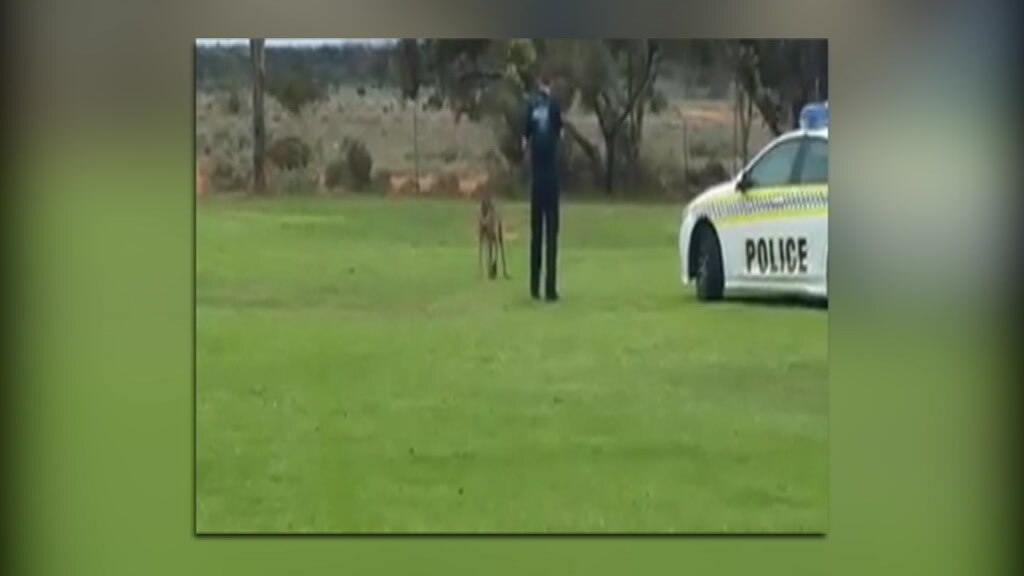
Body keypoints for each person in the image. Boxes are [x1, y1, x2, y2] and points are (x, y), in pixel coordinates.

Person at [522, 73, 563, 301]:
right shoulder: (555, 107)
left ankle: (534, 287)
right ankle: (550, 289)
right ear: (551, 84)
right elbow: (560, 135)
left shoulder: (529, 107)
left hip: (536, 180)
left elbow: (524, 140)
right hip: (551, 179)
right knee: (551, 236)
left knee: (536, 235)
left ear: (538, 83)